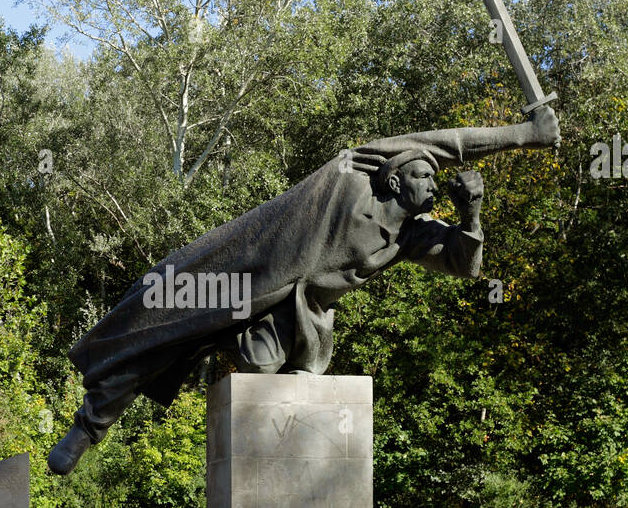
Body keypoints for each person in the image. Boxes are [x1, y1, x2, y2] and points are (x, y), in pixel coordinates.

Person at [47, 106, 561, 474]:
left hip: (299, 319)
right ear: (396, 177)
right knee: (164, 321)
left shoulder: (412, 235)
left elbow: (463, 263)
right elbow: (454, 143)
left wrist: (471, 213)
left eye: (435, 178)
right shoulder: (353, 173)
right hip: (250, 272)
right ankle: (88, 428)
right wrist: (525, 134)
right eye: (423, 174)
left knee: (263, 373)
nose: (433, 182)